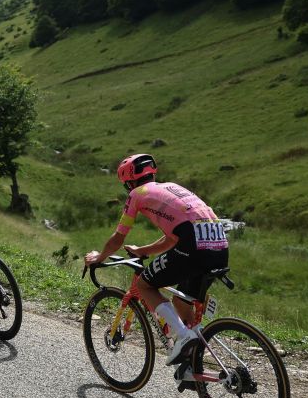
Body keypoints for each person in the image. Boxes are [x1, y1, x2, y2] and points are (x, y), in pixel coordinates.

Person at [84, 154, 230, 369]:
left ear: (129, 182)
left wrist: (99, 257)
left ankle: (183, 336)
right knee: (181, 302)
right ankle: (192, 362)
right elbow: (172, 238)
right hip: (220, 245)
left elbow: (118, 238)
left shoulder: (137, 194)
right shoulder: (172, 187)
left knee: (144, 285)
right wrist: (143, 250)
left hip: (194, 246)